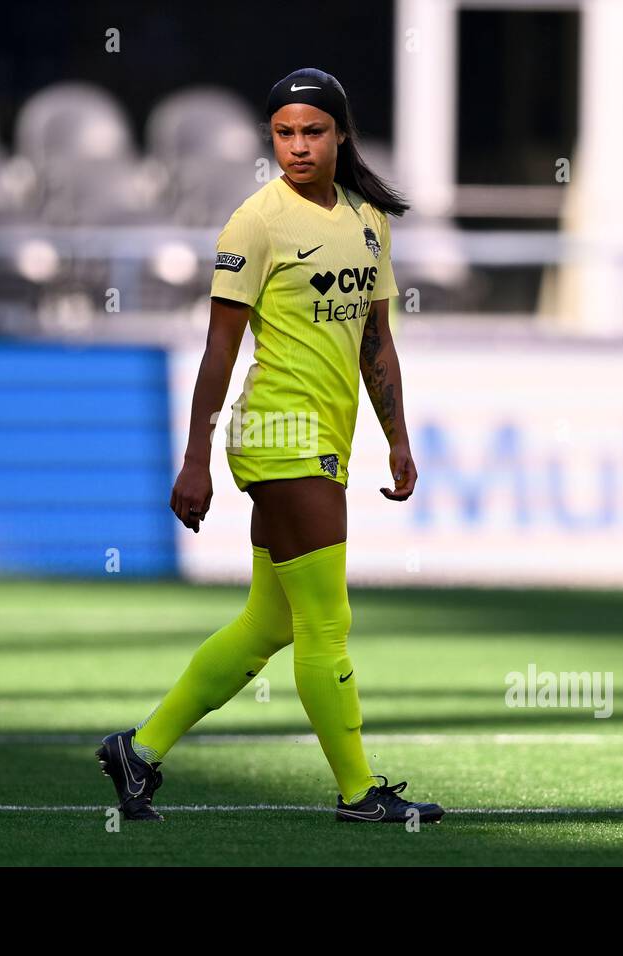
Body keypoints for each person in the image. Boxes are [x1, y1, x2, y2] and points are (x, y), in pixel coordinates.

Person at [97, 68, 443, 825]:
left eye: (312, 131)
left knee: (270, 623)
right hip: (279, 434)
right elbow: (218, 352)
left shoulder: (367, 218)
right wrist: (194, 458)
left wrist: (399, 437)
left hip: (329, 436)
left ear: (340, 133)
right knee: (327, 622)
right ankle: (358, 792)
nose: (296, 146)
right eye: (283, 132)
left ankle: (140, 751)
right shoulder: (254, 223)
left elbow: (376, 341)